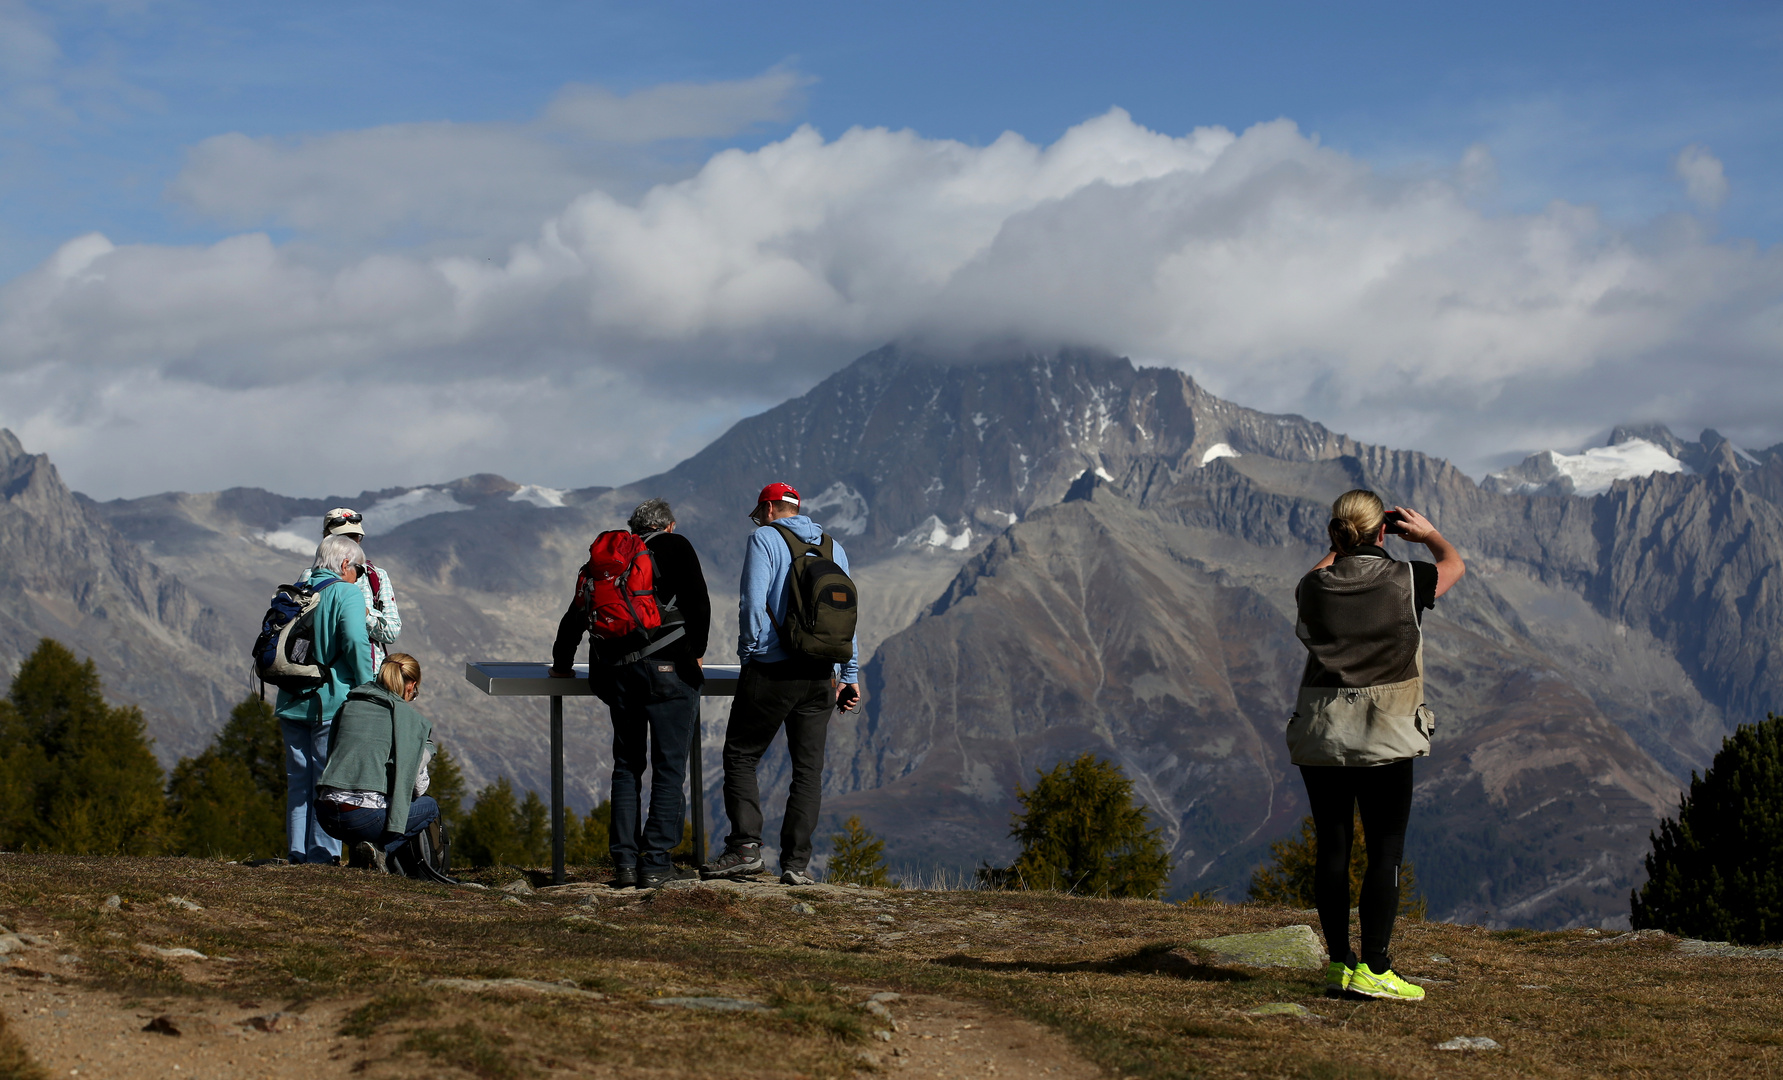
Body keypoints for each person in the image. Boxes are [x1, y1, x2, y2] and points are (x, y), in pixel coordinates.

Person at [1288, 490, 1464, 1002]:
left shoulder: (1314, 587)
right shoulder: (1408, 580)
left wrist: (1338, 547)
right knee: (1384, 851)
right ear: (1383, 532)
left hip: (1322, 734)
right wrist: (1427, 533)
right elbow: (1454, 564)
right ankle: (1378, 967)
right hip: (1386, 734)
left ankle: (1339, 964)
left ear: (1335, 535)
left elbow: (1315, 574)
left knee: (1333, 849)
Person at [549, 498, 711, 890]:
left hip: (617, 674)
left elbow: (576, 615)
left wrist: (563, 663)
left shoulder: (607, 561)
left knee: (627, 765)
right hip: (669, 673)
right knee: (669, 768)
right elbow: (699, 604)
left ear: (633, 527)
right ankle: (655, 862)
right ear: (669, 525)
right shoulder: (676, 546)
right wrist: (696, 655)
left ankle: (623, 863)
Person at [703, 482, 860, 885]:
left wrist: (749, 654)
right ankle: (796, 864)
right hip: (822, 675)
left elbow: (752, 603)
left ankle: (745, 849)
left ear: (771, 508)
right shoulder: (833, 547)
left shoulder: (765, 539)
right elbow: (847, 620)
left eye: (760, 512)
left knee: (741, 755)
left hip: (774, 669)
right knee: (808, 771)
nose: (759, 519)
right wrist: (850, 676)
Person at [274, 533, 377, 864]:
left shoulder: (295, 592)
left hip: (290, 699)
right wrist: (368, 687)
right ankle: (322, 856)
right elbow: (355, 642)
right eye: (359, 570)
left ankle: (297, 853)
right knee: (326, 782)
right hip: (328, 702)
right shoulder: (345, 593)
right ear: (345, 564)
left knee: (298, 782)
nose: (358, 577)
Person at [315, 652, 440, 874]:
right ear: (410, 686)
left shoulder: (348, 706)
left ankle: (365, 851)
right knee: (429, 807)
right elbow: (417, 787)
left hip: (326, 814)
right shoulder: (407, 719)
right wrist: (427, 751)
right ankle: (378, 850)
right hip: (363, 818)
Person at [320, 507, 402, 668]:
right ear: (327, 539)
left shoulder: (376, 577)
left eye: (355, 537)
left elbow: (392, 632)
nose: (350, 544)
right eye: (343, 538)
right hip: (324, 674)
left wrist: (362, 613)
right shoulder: (311, 578)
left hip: (369, 674)